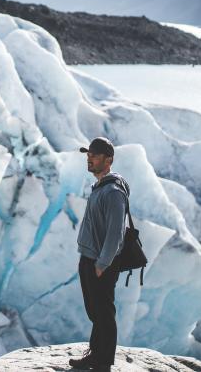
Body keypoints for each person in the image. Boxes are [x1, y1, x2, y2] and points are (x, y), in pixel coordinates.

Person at [69, 137, 129, 371]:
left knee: (103, 310)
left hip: (100, 261)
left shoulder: (113, 192)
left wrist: (102, 263)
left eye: (94, 155)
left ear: (109, 159)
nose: (89, 158)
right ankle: (97, 352)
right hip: (90, 257)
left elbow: (115, 233)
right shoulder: (101, 187)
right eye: (88, 155)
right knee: (96, 310)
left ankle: (103, 360)